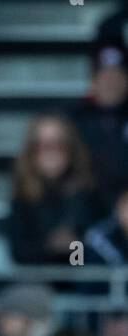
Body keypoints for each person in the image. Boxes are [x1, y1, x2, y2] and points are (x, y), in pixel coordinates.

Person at [7, 114, 99, 265]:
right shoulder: (23, 195)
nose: (51, 152)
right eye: (43, 145)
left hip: (84, 283)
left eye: (58, 144)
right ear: (31, 151)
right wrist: (51, 248)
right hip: (37, 281)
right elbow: (19, 254)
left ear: (71, 148)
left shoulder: (88, 192)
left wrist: (74, 246)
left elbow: (92, 257)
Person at [70, 45, 128, 212]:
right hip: (84, 207)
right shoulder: (74, 118)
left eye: (118, 75)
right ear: (93, 80)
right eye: (105, 75)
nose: (111, 82)